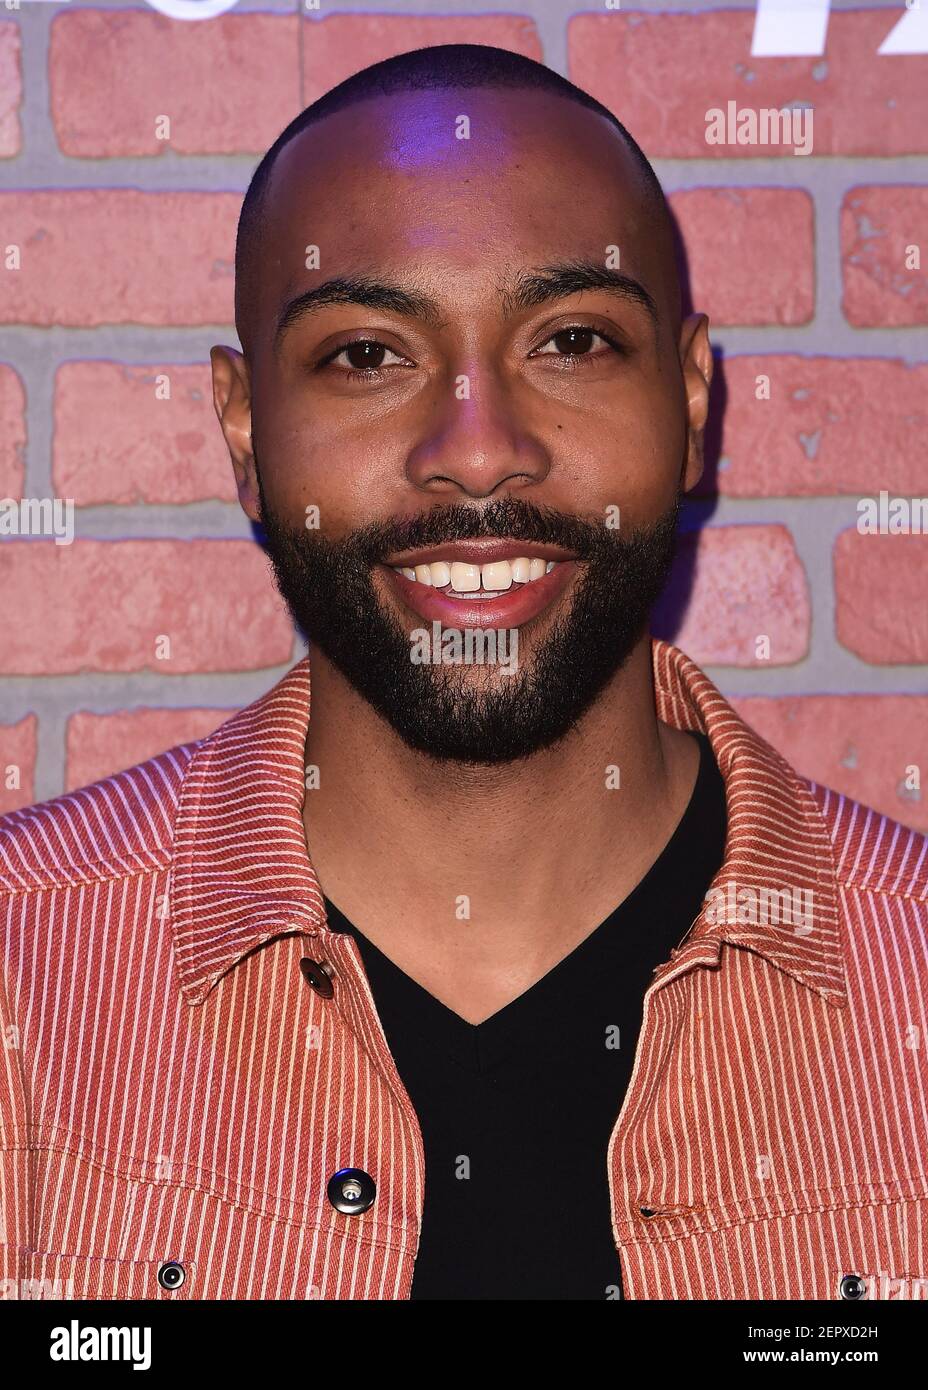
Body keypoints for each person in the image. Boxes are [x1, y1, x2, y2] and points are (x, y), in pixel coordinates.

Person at [1, 45, 925, 1303]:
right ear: (243, 429)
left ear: (695, 399)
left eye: (574, 341)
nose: (480, 455)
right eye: (369, 355)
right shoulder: (27, 976)